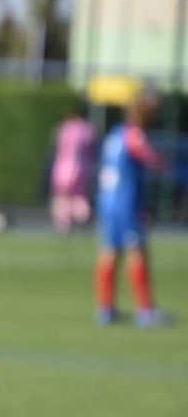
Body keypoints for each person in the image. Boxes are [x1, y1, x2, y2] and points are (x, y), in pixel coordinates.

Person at [94, 94, 170, 327]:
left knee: (110, 252)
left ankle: (105, 309)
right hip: (125, 202)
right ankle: (145, 310)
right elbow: (150, 157)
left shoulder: (115, 134)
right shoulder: (134, 135)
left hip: (107, 201)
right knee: (137, 251)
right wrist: (163, 162)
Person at [49, 104, 95, 235]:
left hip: (63, 167)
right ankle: (82, 217)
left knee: (62, 197)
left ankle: (64, 224)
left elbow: (56, 145)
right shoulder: (87, 130)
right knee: (79, 196)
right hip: (82, 167)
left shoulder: (64, 128)